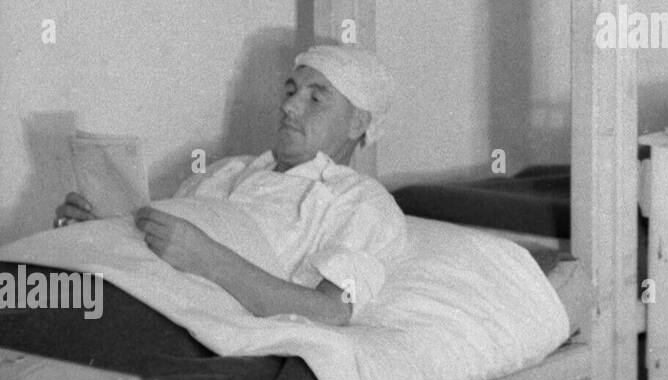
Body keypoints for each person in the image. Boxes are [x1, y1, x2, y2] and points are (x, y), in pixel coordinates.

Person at [54, 43, 407, 324]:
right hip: (125, 287)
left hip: (180, 318)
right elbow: (160, 244)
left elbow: (332, 311)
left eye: (315, 98)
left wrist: (208, 259)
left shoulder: (360, 200)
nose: (290, 107)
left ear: (358, 123)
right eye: (290, 91)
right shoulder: (225, 170)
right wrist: (103, 227)